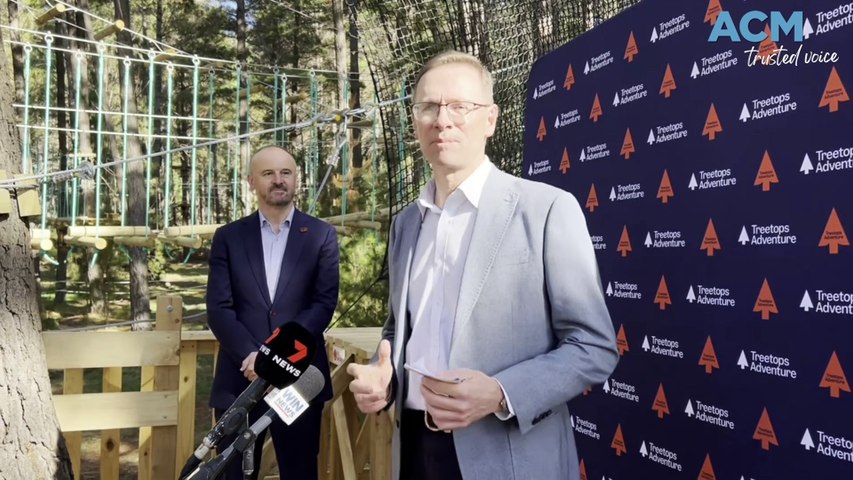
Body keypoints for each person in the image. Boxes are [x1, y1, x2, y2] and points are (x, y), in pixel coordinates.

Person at [347, 50, 618, 480]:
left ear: (490, 119)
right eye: (428, 107)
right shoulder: (405, 225)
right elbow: (400, 329)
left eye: (460, 106)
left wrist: (499, 393)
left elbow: (594, 345)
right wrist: (388, 377)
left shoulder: (546, 210)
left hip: (508, 457)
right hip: (414, 450)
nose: (442, 120)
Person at [207, 145, 339, 480]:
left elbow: (323, 303)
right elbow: (219, 309)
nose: (278, 180)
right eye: (268, 173)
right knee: (233, 473)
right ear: (252, 181)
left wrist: (272, 357)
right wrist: (254, 356)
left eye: (286, 173)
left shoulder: (321, 235)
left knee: (299, 471)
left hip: (298, 381)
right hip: (240, 378)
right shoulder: (229, 237)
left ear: (296, 179)